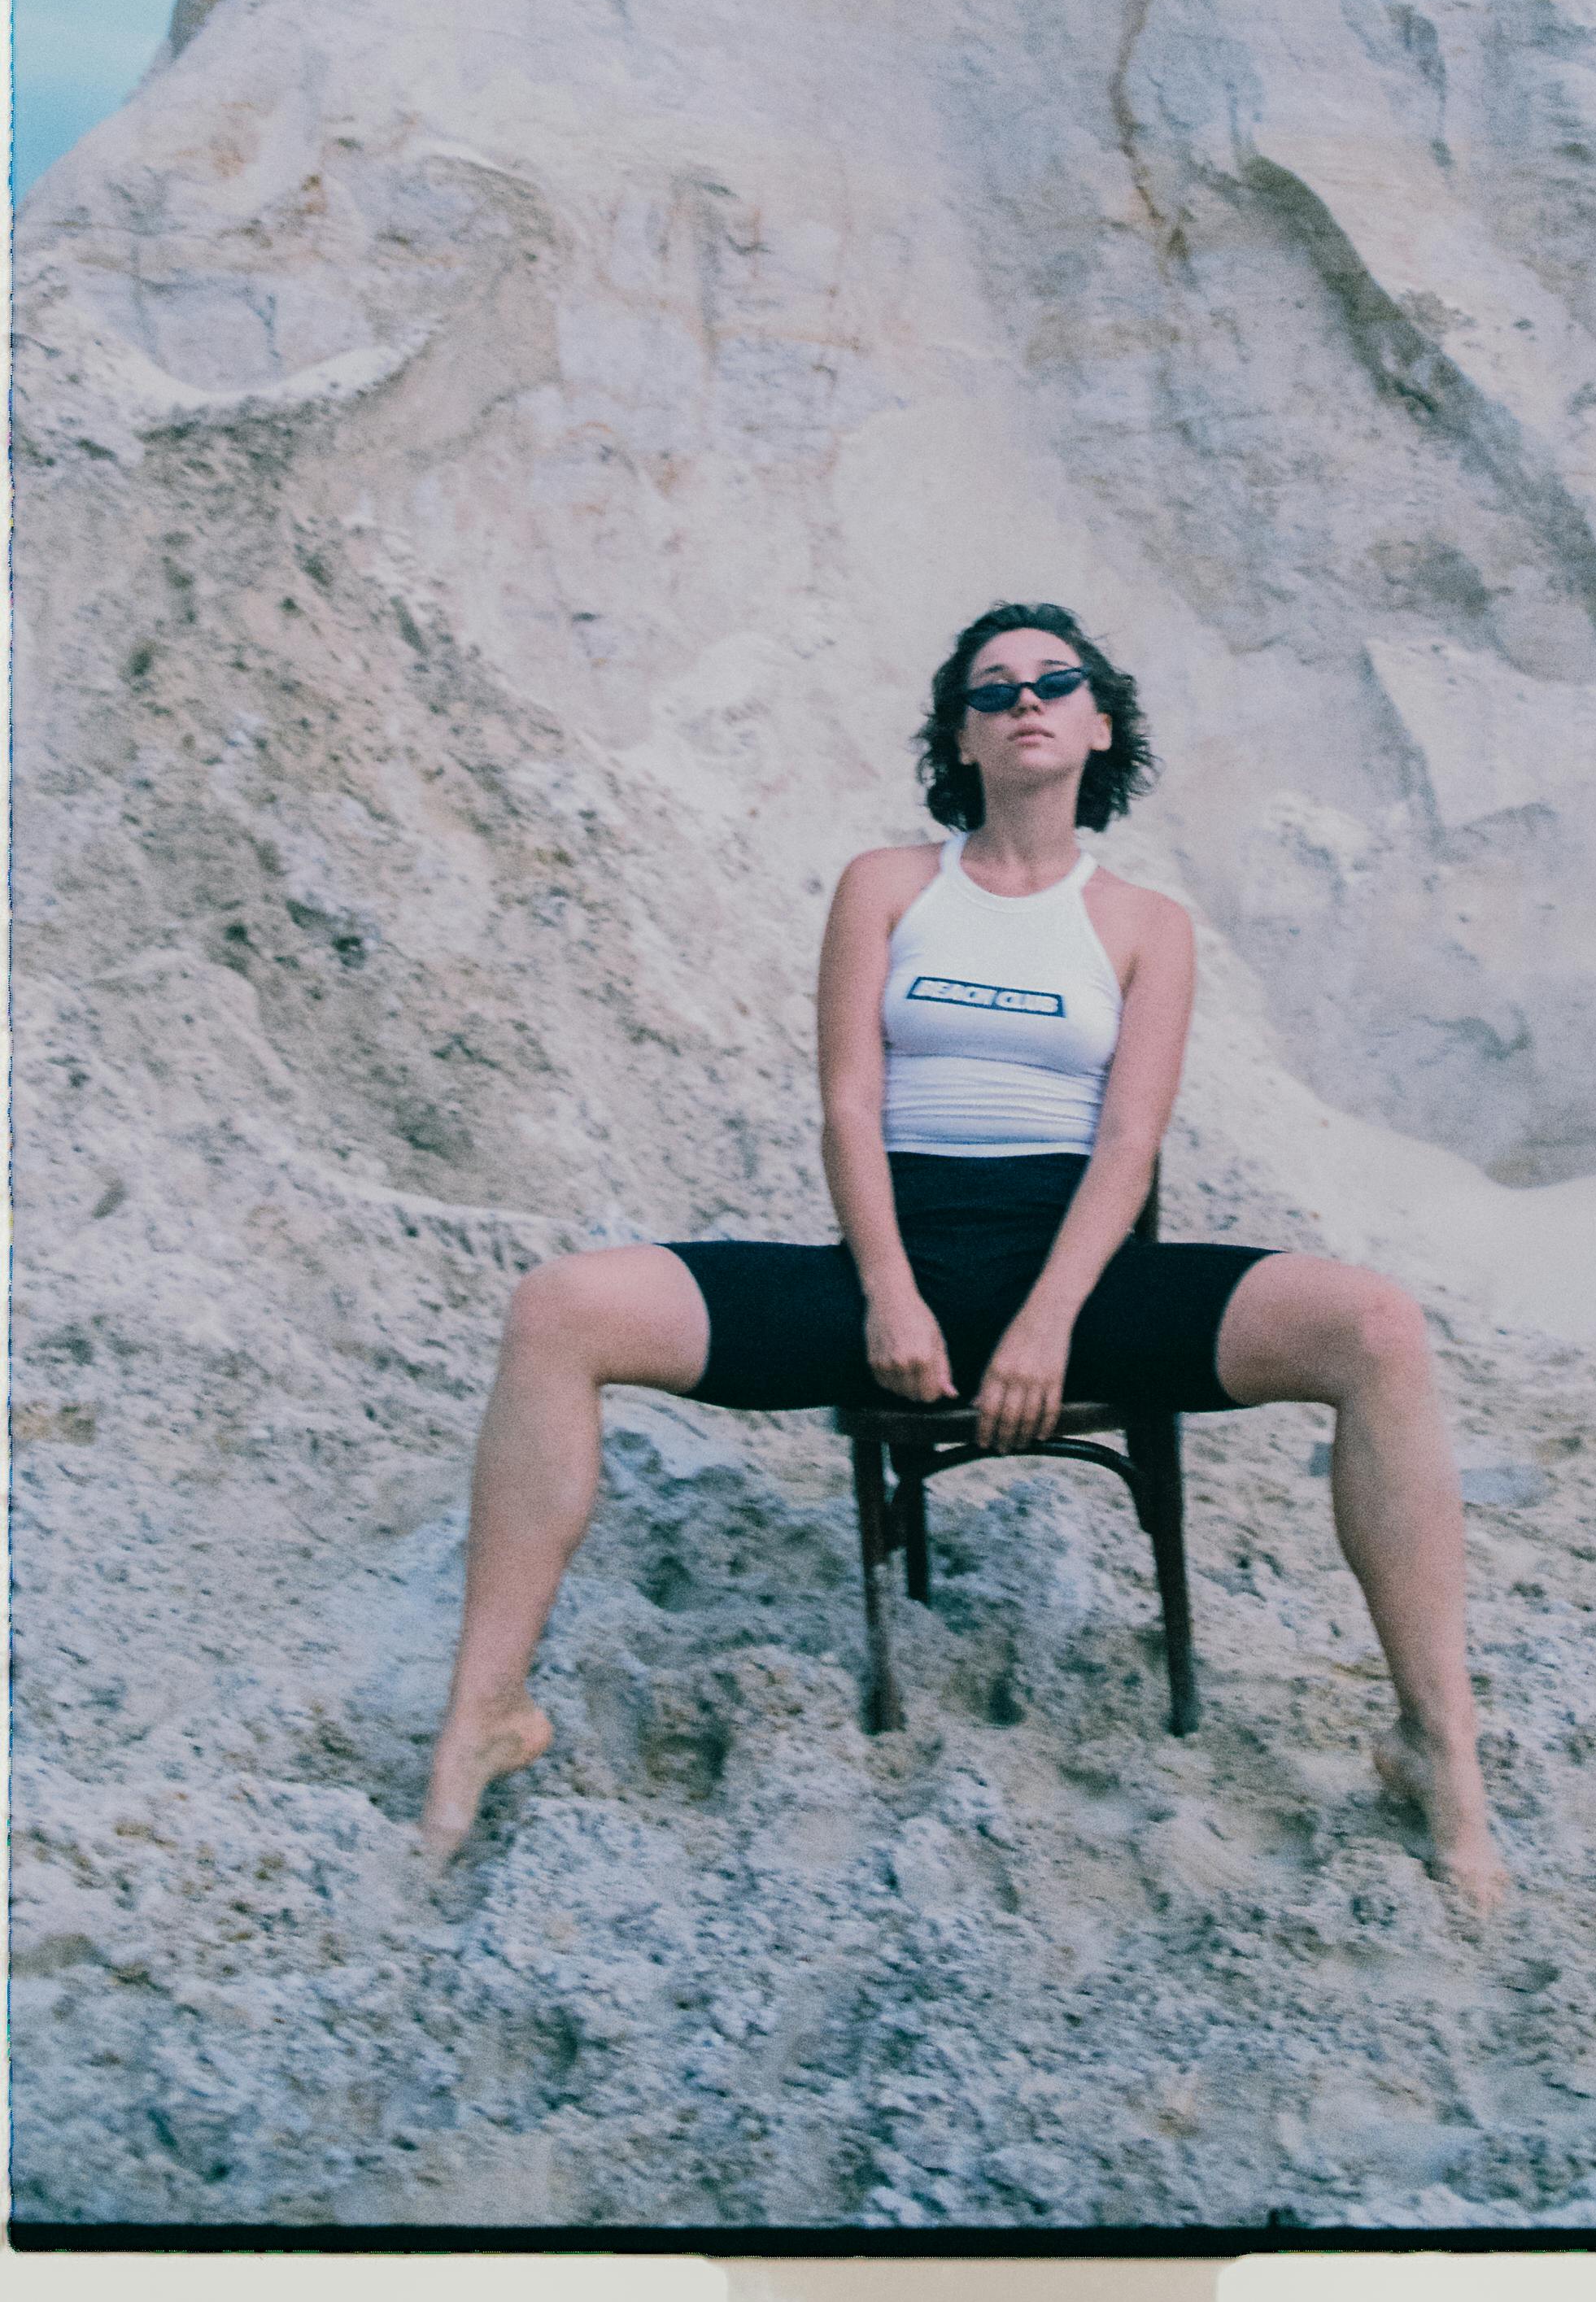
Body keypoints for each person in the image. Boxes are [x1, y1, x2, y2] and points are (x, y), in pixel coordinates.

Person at [421, 602, 1508, 1909]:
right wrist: (885, 1288)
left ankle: (1434, 1743)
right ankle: (485, 1712)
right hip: (896, 1273)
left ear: (1100, 722)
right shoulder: (888, 884)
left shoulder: (1146, 920)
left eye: (1058, 680)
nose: (1027, 700)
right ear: (960, 732)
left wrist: (1051, 1319)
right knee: (560, 1307)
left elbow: (1127, 1141)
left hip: (1080, 1280)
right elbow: (848, 1105)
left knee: (1377, 1324)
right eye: (994, 690)